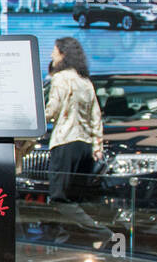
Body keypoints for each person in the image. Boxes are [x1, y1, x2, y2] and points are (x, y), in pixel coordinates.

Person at [44, 37, 111, 246]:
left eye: (54, 51)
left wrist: (31, 118)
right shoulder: (85, 81)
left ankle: (102, 233)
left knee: (58, 197)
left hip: (65, 141)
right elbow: (96, 117)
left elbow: (52, 110)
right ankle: (64, 243)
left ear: (63, 54)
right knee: (73, 198)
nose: (51, 55)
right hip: (84, 146)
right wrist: (97, 146)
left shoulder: (61, 78)